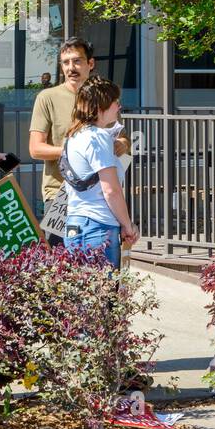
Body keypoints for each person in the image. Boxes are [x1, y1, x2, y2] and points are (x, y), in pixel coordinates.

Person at [30, 38, 128, 244]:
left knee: (97, 267)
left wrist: (123, 144)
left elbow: (120, 135)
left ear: (90, 64)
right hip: (59, 193)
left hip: (100, 198)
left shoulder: (101, 94)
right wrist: (75, 152)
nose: (70, 68)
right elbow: (35, 149)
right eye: (65, 62)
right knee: (60, 263)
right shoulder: (47, 97)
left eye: (76, 61)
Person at [62, 76, 139, 268]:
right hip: (99, 227)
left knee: (82, 294)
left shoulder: (73, 136)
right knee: (104, 295)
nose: (118, 106)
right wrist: (127, 226)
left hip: (75, 223)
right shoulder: (98, 137)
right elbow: (111, 190)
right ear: (101, 107)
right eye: (115, 102)